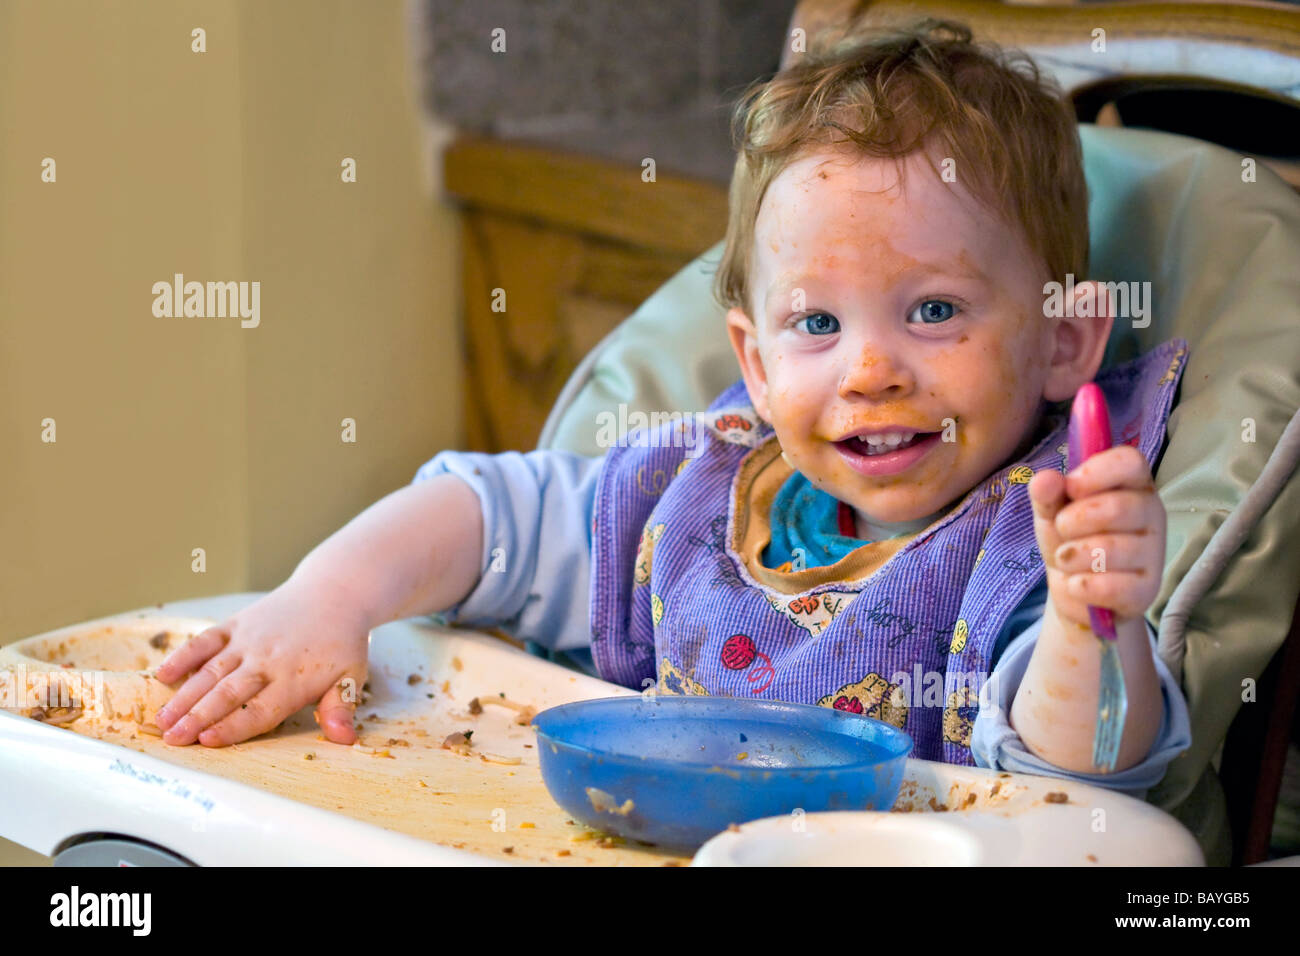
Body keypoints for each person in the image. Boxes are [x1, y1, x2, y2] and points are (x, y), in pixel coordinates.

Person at [154, 19, 1190, 791]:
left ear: (1064, 338)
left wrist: (1091, 619)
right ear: (752, 352)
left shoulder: (1034, 545)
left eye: (932, 309)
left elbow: (1076, 780)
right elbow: (486, 512)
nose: (869, 370)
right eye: (816, 324)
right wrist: (330, 596)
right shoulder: (689, 497)